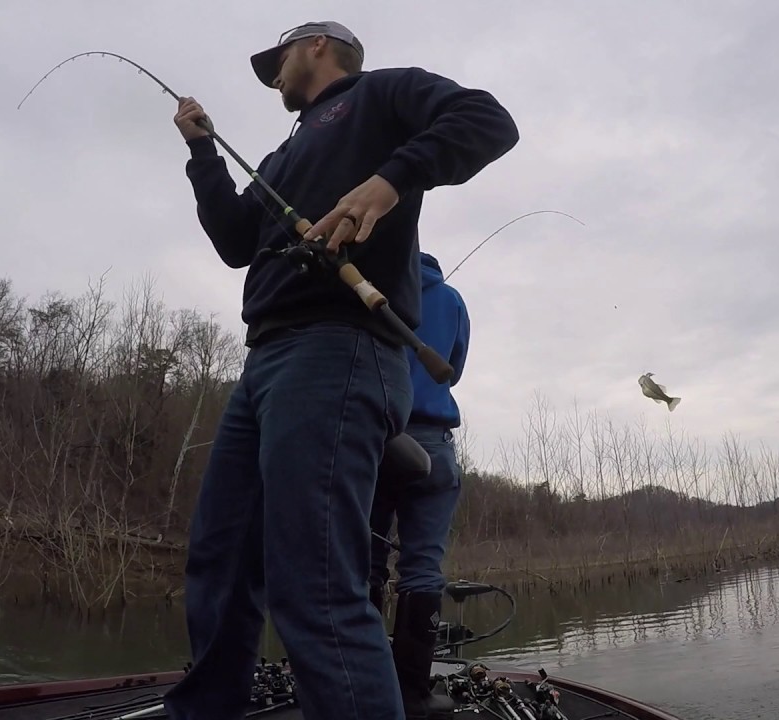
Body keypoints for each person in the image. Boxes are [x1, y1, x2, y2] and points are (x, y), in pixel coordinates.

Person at [162, 20, 519, 720]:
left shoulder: (382, 95)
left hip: (339, 352)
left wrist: (389, 182)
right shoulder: (280, 154)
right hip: (263, 362)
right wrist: (204, 152)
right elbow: (236, 242)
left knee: (315, 580)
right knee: (222, 565)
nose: (275, 77)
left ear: (318, 45)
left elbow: (488, 121)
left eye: (280, 61)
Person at [368, 251, 470, 720]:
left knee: (363, 562)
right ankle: (412, 695)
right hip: (433, 445)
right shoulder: (452, 299)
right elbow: (452, 367)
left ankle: (363, 681)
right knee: (423, 567)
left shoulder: (376, 293)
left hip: (375, 441)